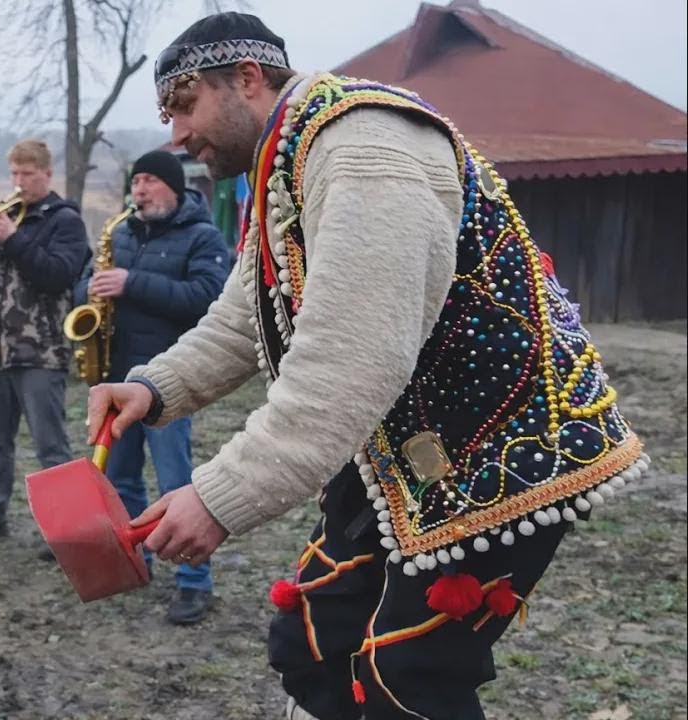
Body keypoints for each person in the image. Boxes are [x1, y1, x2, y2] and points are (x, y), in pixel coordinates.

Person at [85, 12, 644, 719]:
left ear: (248, 79)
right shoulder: (289, 161)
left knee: (410, 678)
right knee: (313, 642)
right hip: (408, 449)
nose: (177, 135)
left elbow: (352, 360)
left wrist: (220, 497)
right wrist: (154, 387)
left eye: (185, 105)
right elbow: (247, 312)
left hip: (501, 449)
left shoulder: (365, 148)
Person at [73, 150, 229, 624]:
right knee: (120, 482)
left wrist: (132, 283)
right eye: (135, 181)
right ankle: (134, 560)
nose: (139, 190)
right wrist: (90, 290)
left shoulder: (202, 236)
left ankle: (193, 582)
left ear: (174, 187)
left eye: (149, 181)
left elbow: (208, 298)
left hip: (168, 386)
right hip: (117, 378)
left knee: (175, 483)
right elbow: (89, 284)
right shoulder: (120, 231)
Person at [0, 139, 90, 548]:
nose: (19, 181)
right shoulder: (5, 215)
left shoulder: (65, 221)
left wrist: (12, 238)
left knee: (51, 446)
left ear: (47, 174)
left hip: (40, 353)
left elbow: (58, 276)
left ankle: (66, 529)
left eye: (27, 174)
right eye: (14, 173)